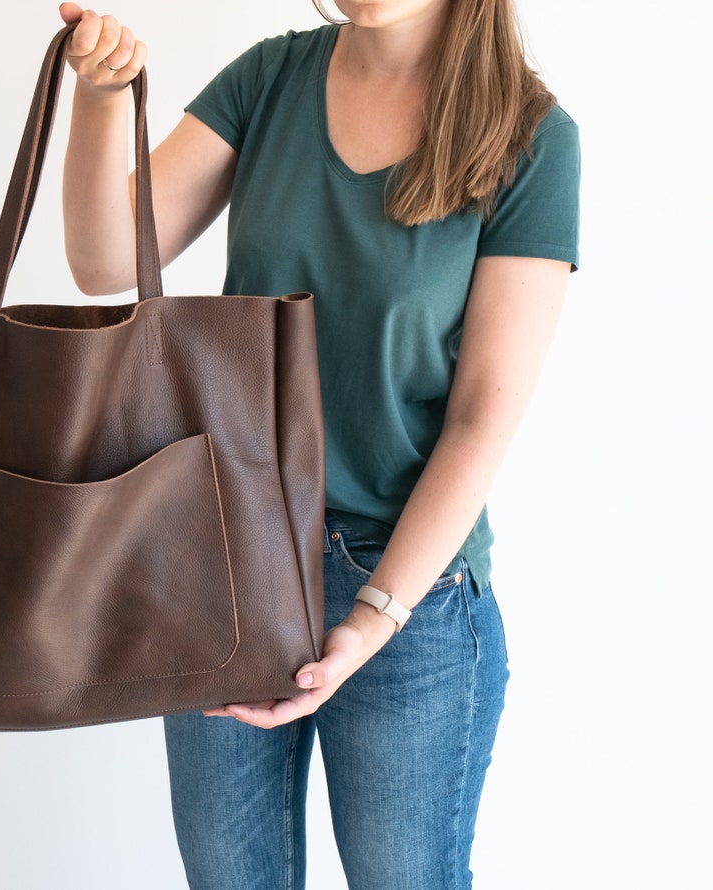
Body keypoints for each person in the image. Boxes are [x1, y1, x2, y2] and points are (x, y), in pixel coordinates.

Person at [57, 0, 579, 887]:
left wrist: (373, 618)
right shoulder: (271, 79)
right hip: (227, 567)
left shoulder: (531, 137)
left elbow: (480, 418)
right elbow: (106, 262)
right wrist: (104, 98)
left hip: (410, 595)